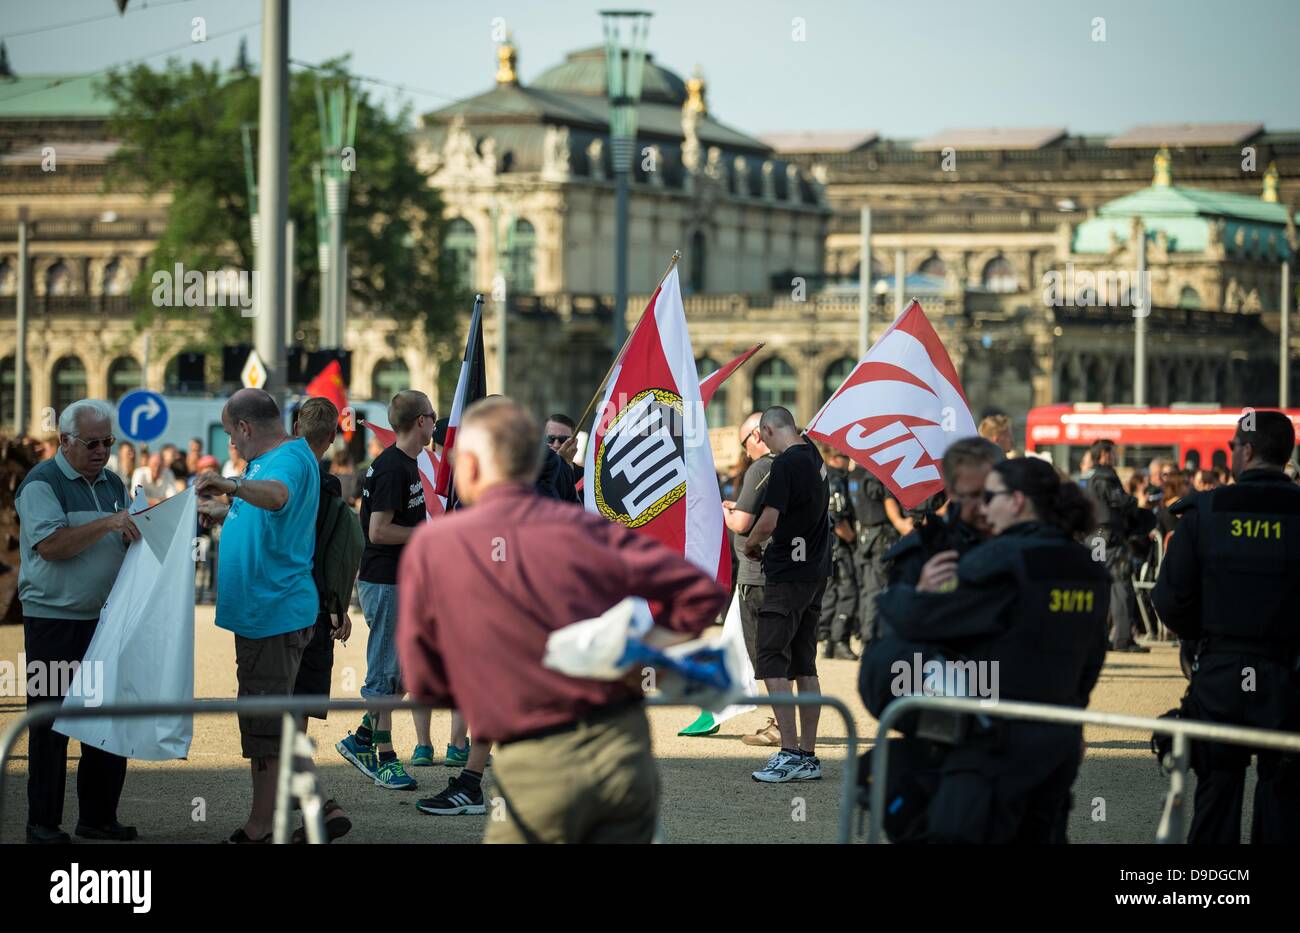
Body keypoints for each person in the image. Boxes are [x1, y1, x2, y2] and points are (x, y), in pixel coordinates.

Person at [397, 397, 726, 839]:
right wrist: (638, 657)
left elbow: (427, 683)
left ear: (471, 466)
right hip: (623, 753)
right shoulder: (588, 531)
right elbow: (702, 592)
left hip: (538, 761)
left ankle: (470, 786)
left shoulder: (437, 545)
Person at [866, 457, 1109, 843]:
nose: (983, 508)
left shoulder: (1003, 559)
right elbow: (1092, 658)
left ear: (1015, 501)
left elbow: (927, 619)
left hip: (994, 743)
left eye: (990, 497)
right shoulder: (1088, 567)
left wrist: (904, 595)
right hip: (1057, 739)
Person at [1152, 410, 1300, 843]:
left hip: (1220, 673)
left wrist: (1202, 639)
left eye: (1234, 445)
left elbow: (1168, 598)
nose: (1232, 451)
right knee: (1284, 796)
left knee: (1216, 792)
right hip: (1288, 675)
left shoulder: (1206, 511)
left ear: (1247, 450)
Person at [194, 388, 320, 843]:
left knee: (264, 731)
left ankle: (261, 827)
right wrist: (227, 508)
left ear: (246, 428)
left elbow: (277, 497)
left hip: (271, 614)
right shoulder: (283, 455)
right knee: (274, 724)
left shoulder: (283, 461)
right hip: (269, 612)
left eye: (231, 434)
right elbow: (266, 510)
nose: (231, 443)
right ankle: (322, 808)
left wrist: (230, 485)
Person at [15, 399, 139, 844]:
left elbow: (123, 537)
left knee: (106, 722)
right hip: (55, 622)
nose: (102, 450)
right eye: (92, 442)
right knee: (49, 727)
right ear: (64, 441)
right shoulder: (40, 484)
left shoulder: (113, 483)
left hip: (104, 622)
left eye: (108, 441)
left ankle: (98, 818)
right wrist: (110, 524)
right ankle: (43, 824)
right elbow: (51, 546)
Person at [334, 390, 436, 790]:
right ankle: (385, 756)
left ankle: (361, 738)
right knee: (385, 672)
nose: (435, 421)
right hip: (384, 578)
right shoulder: (394, 466)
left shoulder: (404, 463)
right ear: (421, 422)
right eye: (431, 415)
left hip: (396, 578)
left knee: (403, 674)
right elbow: (378, 531)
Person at [742, 406, 832, 783]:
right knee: (803, 663)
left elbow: (768, 519)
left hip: (787, 574)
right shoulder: (813, 454)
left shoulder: (783, 464)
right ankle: (807, 755)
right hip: (814, 571)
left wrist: (750, 544)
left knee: (772, 659)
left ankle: (790, 752)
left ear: (764, 431)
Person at [287, 397, 355, 842]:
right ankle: (303, 798)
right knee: (299, 710)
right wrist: (339, 605)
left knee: (281, 714)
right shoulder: (330, 487)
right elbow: (342, 552)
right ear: (332, 438)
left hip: (286, 607)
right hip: (318, 605)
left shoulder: (285, 474)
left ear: (295, 427)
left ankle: (316, 805)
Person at [721, 411, 780, 746]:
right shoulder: (802, 463)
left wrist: (726, 512)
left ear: (757, 436)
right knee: (791, 656)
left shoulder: (761, 466)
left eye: (745, 444)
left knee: (765, 655)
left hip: (758, 575)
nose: (745, 453)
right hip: (789, 573)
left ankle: (780, 726)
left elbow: (742, 524)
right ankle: (787, 724)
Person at [884, 436, 1004, 589]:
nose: (983, 507)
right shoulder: (923, 552)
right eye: (973, 496)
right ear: (952, 493)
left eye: (990, 494)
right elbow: (892, 609)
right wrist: (921, 592)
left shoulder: (1024, 541)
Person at [1084, 439, 1149, 653]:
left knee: (1099, 585)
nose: (1116, 455)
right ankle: (1122, 639)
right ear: (1103, 454)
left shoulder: (1092, 477)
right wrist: (1134, 501)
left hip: (1097, 536)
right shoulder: (1105, 476)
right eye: (1112, 452)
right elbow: (1119, 500)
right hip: (1109, 536)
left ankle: (1098, 637)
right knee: (1121, 585)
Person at [817, 444, 859, 660]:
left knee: (831, 592)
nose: (847, 462)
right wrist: (854, 540)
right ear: (834, 458)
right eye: (844, 457)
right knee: (847, 590)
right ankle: (839, 639)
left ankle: (829, 641)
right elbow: (838, 516)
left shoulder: (821, 474)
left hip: (825, 544)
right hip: (838, 544)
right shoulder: (835, 479)